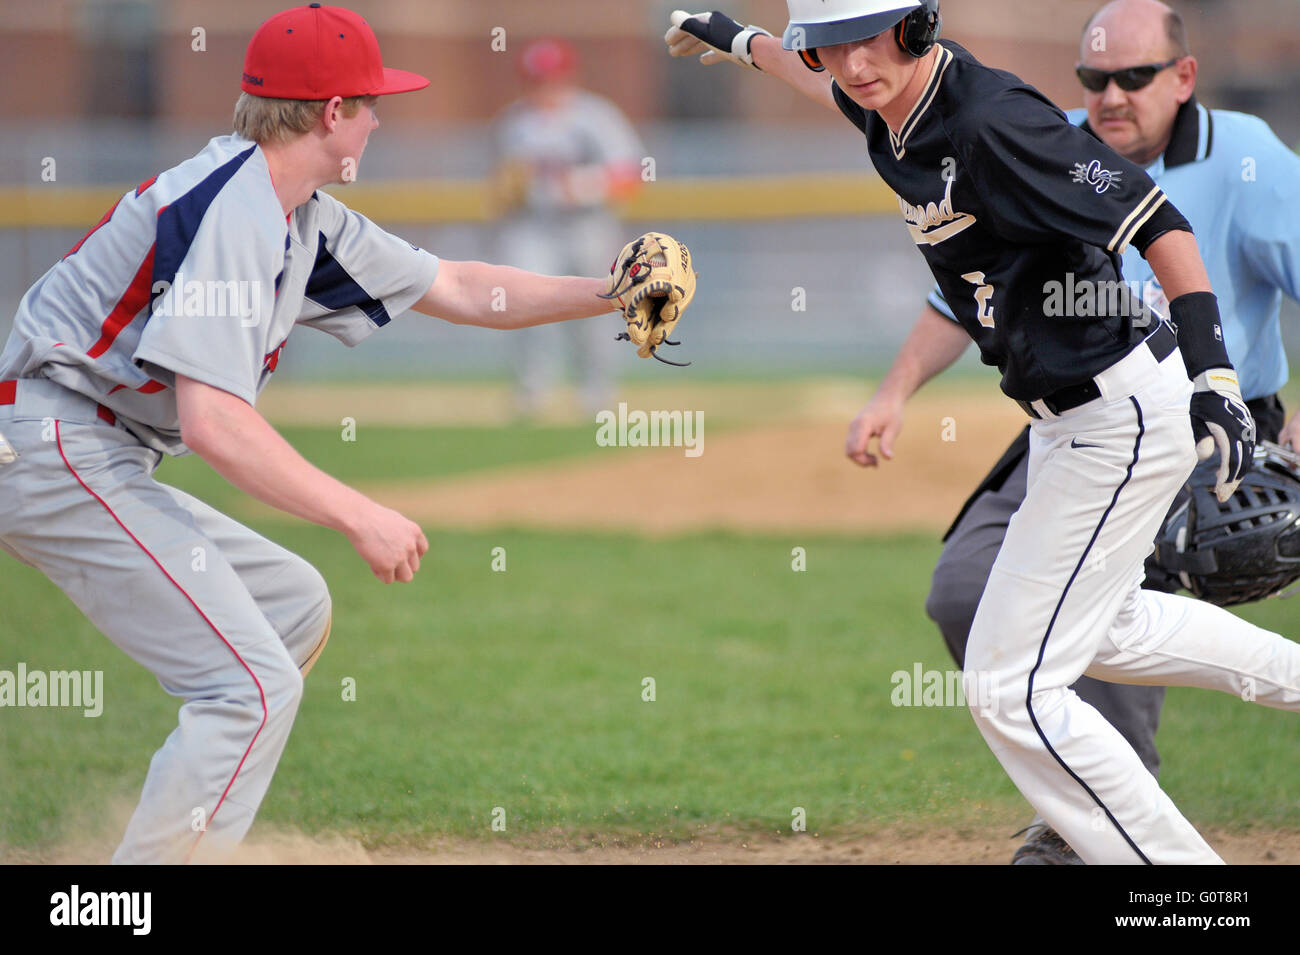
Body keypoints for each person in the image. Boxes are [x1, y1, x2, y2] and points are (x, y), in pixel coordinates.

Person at [0, 4, 692, 864]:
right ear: (331, 114)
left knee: (291, 607)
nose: (378, 116)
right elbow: (215, 423)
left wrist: (610, 286)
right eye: (369, 101)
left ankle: (168, 849)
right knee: (246, 687)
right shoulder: (235, 210)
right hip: (53, 443)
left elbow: (465, 287)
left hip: (89, 448)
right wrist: (357, 512)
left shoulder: (298, 212)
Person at [667, 0, 1300, 864]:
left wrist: (1216, 375)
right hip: (1068, 419)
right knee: (1106, 629)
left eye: (868, 39)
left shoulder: (995, 121)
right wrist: (744, 42)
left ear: (918, 28)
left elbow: (1158, 219)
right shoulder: (887, 103)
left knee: (1011, 688)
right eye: (831, 46)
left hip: (1118, 412)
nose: (853, 65)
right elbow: (825, 86)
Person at [490, 37, 645, 419]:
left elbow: (630, 174)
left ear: (567, 76)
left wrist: (580, 185)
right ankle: (532, 392)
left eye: (550, 77)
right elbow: (503, 182)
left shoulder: (595, 117)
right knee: (523, 304)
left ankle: (597, 393)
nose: (544, 86)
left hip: (587, 225)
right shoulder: (515, 122)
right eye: (536, 79)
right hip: (533, 225)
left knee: (594, 308)